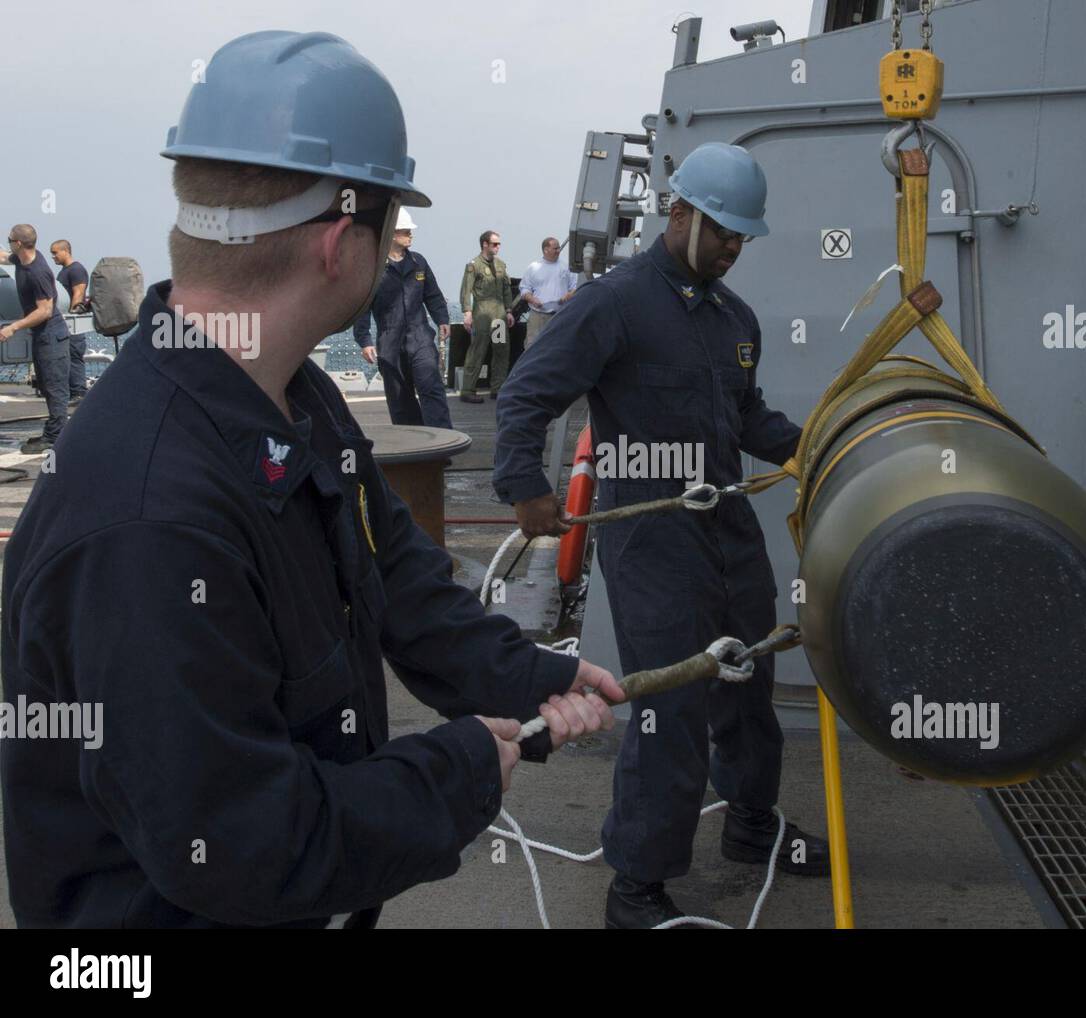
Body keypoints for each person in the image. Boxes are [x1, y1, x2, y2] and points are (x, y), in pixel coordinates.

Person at [0, 29, 623, 930]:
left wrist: (526, 675)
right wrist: (453, 773)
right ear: (342, 242)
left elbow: (395, 576)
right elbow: (240, 843)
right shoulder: (148, 520)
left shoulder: (293, 391)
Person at [493, 143, 830, 929]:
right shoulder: (615, 304)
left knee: (748, 682)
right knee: (669, 710)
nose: (733, 248)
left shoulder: (735, 319)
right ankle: (638, 886)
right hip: (653, 539)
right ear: (678, 214)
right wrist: (523, 488)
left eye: (743, 237)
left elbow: (747, 419)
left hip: (728, 530)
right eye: (722, 232)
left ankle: (751, 826)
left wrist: (810, 445)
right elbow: (525, 396)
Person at [353, 208, 453, 428]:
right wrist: (365, 340)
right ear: (391, 233)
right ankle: (414, 446)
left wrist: (442, 319)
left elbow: (433, 295)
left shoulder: (419, 263)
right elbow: (362, 307)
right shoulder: (373, 268)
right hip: (390, 343)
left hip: (420, 338)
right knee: (400, 400)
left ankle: (443, 441)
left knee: (431, 388)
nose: (411, 235)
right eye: (406, 231)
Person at [0, 224, 71, 453]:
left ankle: (55, 438)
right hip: (43, 334)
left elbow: (45, 311)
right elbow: (4, 257)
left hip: (52, 334)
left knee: (54, 387)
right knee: (46, 384)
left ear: (18, 243)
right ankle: (53, 433)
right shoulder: (23, 258)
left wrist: (14, 327)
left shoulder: (37, 271)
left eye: (10, 239)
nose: (8, 241)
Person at [457, 230, 513, 402]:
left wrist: (509, 311)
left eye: (499, 244)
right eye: (495, 244)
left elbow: (506, 290)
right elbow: (466, 290)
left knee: (501, 349)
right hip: (482, 312)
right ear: (485, 244)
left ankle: (498, 388)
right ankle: (467, 390)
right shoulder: (474, 265)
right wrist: (467, 312)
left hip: (498, 314)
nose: (498, 247)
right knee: (477, 350)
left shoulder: (501, 266)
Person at [519, 237, 579, 348]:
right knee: (532, 348)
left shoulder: (566, 267)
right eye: (555, 248)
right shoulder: (534, 267)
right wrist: (532, 299)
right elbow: (524, 289)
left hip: (560, 315)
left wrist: (568, 295)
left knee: (558, 347)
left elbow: (575, 287)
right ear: (546, 250)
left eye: (559, 248)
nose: (558, 250)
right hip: (538, 316)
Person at [50, 239, 90, 402]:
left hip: (72, 322)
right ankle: (71, 391)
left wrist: (71, 315)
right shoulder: (65, 271)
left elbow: (78, 293)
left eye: (55, 252)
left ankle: (79, 392)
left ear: (65, 251)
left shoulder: (76, 270)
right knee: (65, 357)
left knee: (73, 356)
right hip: (64, 321)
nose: (53, 257)